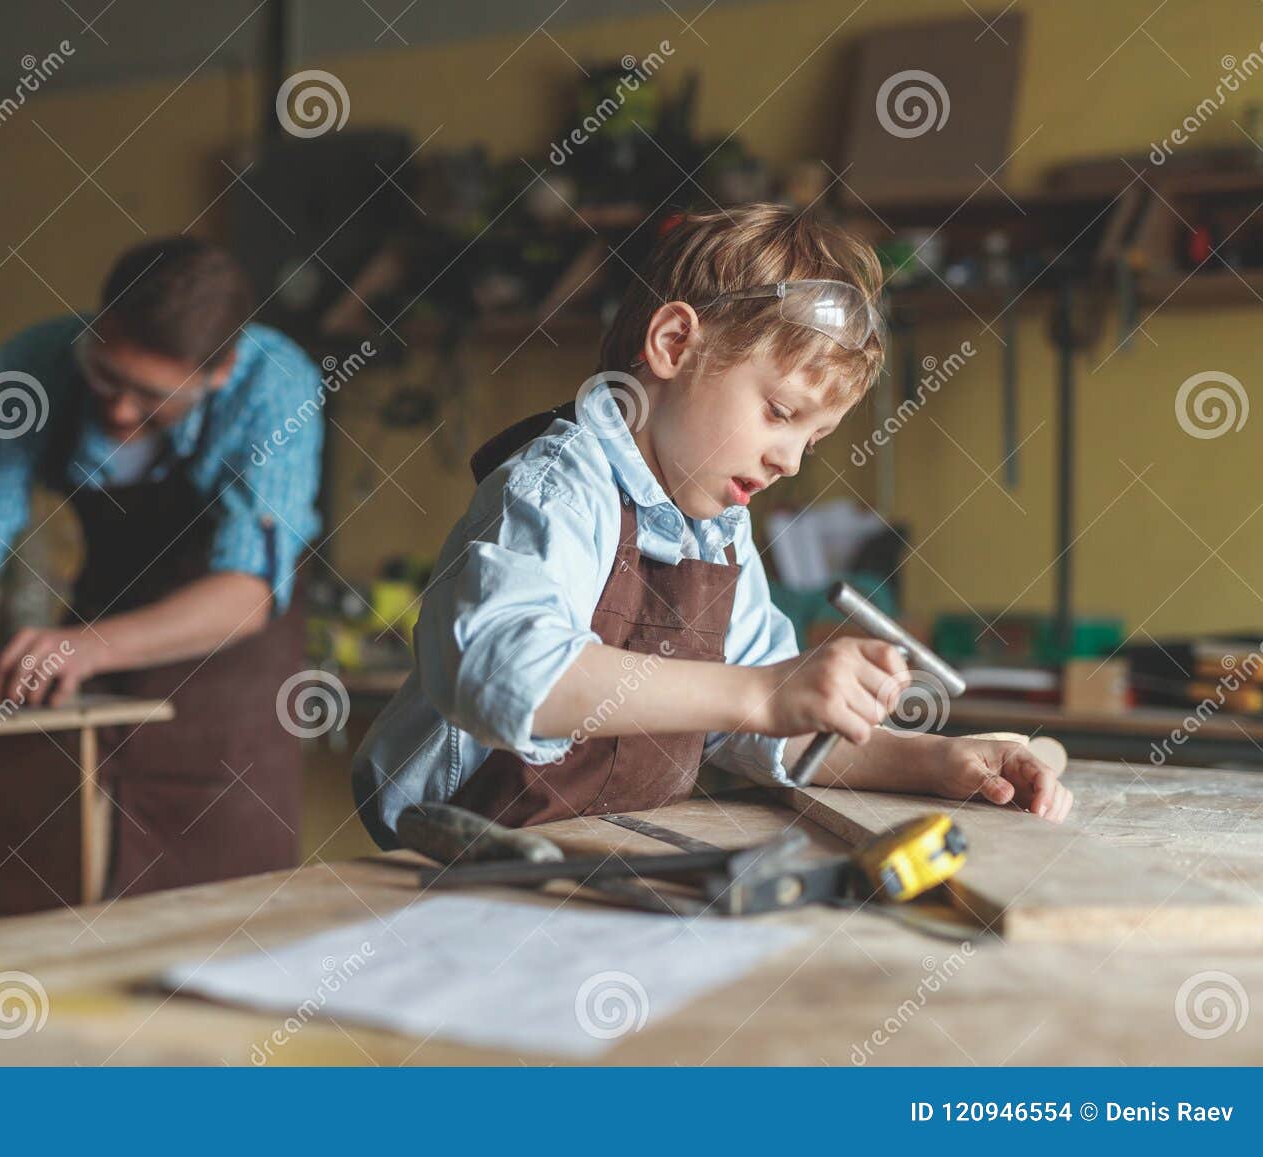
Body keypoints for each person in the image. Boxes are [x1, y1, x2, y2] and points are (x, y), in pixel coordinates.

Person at [353, 204, 1071, 847]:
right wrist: (762, 690)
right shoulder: (557, 487)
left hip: (592, 864)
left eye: (814, 439)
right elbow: (505, 673)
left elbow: (764, 732)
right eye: (780, 413)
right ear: (673, 343)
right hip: (449, 868)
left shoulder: (719, 530)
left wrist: (938, 761)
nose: (790, 460)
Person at [0, 236, 325, 894]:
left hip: (227, 659)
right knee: (64, 865)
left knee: (225, 895)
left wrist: (87, 647)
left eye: (152, 396)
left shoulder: (275, 385)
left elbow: (247, 590)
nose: (120, 409)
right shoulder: (34, 362)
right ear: (99, 323)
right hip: (101, 632)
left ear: (219, 372)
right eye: (106, 375)